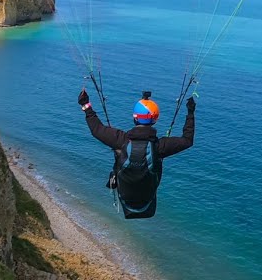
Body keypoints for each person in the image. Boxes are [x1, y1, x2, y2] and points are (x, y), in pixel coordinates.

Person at [77, 88, 196, 219]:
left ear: (135, 119)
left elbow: (96, 129)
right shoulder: (159, 147)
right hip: (147, 202)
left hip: (125, 199)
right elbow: (187, 140)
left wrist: (85, 105)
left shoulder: (120, 140)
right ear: (155, 119)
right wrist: (190, 112)